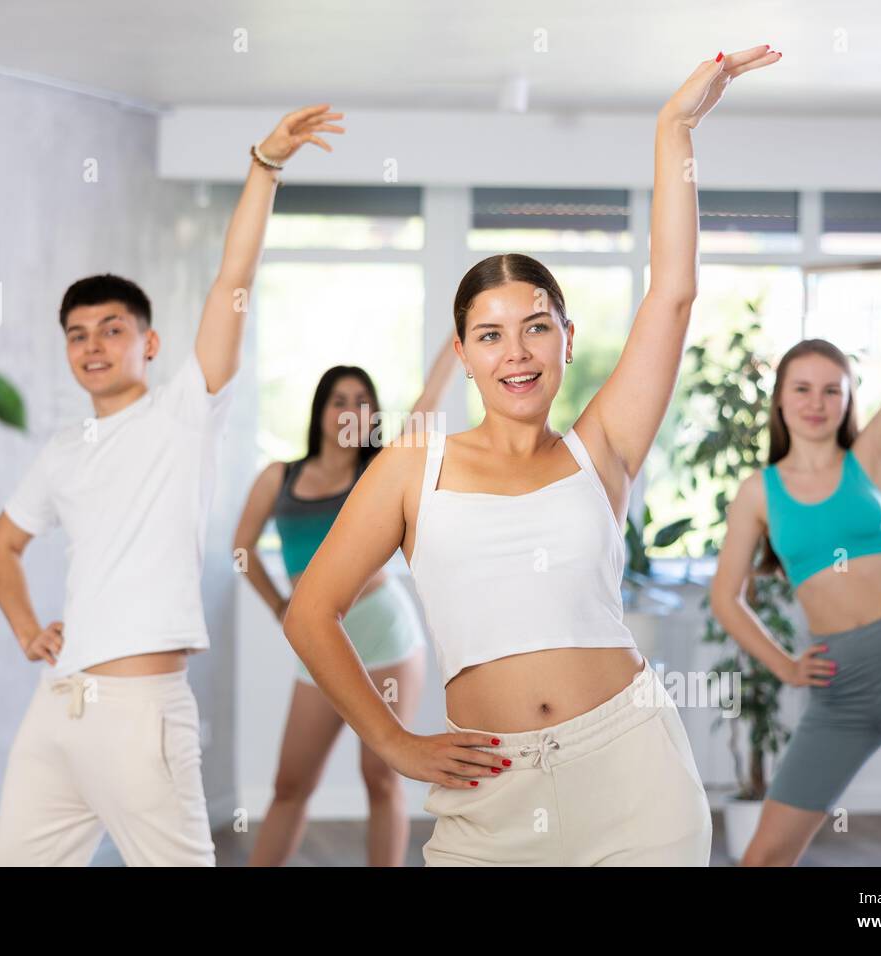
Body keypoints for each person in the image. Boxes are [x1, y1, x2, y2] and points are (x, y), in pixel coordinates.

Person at [282, 47, 780, 866]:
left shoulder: (603, 446)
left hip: (632, 768)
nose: (515, 352)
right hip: (491, 786)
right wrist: (395, 740)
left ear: (566, 339)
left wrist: (673, 129)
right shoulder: (415, 464)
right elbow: (312, 611)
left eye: (535, 327)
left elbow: (673, 291)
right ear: (465, 354)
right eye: (490, 335)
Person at [0, 105, 344, 866]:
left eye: (111, 329)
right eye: (77, 335)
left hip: (140, 712)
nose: (93, 345)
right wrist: (27, 630)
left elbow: (230, 281)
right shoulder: (62, 448)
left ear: (148, 343)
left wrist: (264, 164)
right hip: (58, 705)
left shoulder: (185, 411)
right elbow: (1, 548)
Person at [711, 153, 881, 867]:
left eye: (834, 389)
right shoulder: (756, 492)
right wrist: (784, 666)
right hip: (839, 686)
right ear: (782, 399)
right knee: (763, 858)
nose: (818, 401)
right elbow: (725, 598)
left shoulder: (874, 458)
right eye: (803, 388)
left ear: (848, 401)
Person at [233, 335, 456, 866]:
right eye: (339, 399)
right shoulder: (280, 477)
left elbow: (427, 405)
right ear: (320, 409)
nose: (351, 410)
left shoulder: (379, 471)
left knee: (380, 777)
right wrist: (278, 607)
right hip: (319, 642)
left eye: (362, 401)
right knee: (291, 783)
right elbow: (241, 550)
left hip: (384, 637)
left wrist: (458, 340)